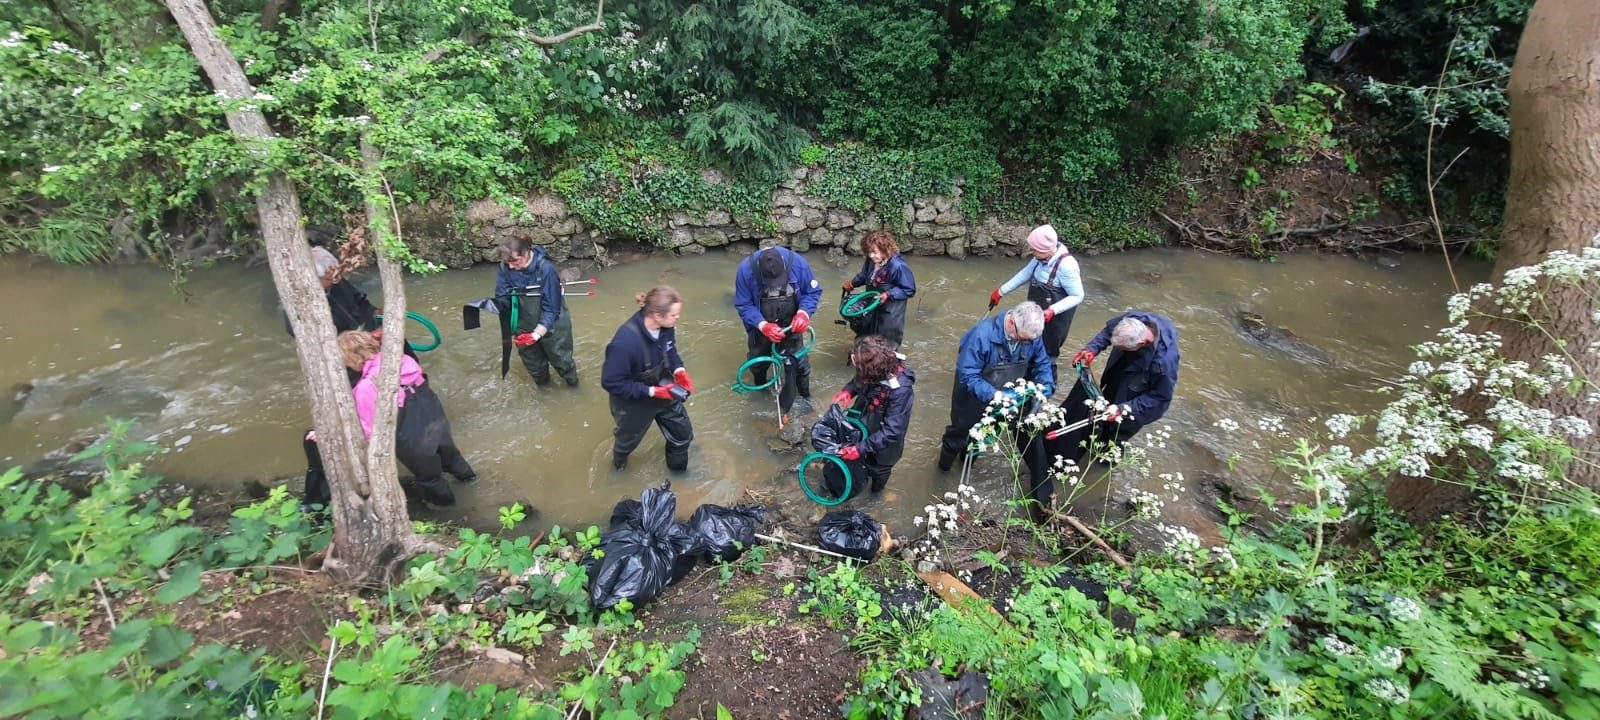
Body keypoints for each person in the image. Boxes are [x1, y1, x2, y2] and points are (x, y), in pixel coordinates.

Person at [314, 330, 475, 507]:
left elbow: (368, 430)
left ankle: (449, 511)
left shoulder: (366, 387)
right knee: (452, 458)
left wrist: (328, 433)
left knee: (429, 478)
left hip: (411, 437)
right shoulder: (403, 360)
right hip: (435, 419)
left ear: (352, 357)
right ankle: (472, 482)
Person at [937, 302, 1055, 474]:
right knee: (959, 436)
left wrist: (1046, 387)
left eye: (1029, 341)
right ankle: (943, 470)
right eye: (1023, 339)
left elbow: (1042, 364)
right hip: (972, 399)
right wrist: (995, 395)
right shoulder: (980, 335)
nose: (1027, 343)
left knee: (983, 438)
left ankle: (966, 464)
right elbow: (967, 375)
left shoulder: (1031, 336)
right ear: (1012, 323)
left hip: (1006, 400)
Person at [601, 286, 695, 472]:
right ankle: (618, 469)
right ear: (656, 315)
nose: (677, 319)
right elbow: (610, 382)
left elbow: (670, 350)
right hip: (634, 402)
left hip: (665, 388)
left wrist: (679, 370)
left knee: (683, 435)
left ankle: (679, 475)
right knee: (626, 443)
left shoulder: (666, 327)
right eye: (674, 315)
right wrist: (651, 391)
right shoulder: (624, 343)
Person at [1063, 311, 1180, 454]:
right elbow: (1108, 331)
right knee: (1101, 413)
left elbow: (1160, 399)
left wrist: (1123, 409)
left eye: (1121, 348)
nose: (1117, 349)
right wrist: (1093, 348)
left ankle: (1106, 463)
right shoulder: (1134, 319)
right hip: (1120, 373)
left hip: (1135, 396)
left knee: (1115, 438)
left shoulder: (1164, 364)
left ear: (1142, 344)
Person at [734, 245, 822, 422]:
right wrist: (763, 325)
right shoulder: (745, 270)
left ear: (783, 263)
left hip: (792, 323)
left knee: (800, 364)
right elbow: (743, 305)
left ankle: (806, 399)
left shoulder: (798, 264)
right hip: (761, 324)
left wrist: (804, 313)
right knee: (758, 361)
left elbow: (812, 292)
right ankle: (761, 394)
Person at [987, 225, 1084, 382]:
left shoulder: (1067, 266)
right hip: (1034, 316)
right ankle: (1025, 382)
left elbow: (1078, 296)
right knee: (1028, 348)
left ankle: (1046, 388)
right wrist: (1001, 291)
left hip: (1054, 322)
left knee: (1047, 355)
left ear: (1047, 250)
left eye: (1034, 250)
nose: (1032, 253)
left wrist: (1052, 310)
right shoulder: (1041, 258)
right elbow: (1025, 274)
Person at [824, 335, 916, 498]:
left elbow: (893, 431)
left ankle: (876, 494)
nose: (857, 372)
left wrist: (860, 449)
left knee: (879, 470)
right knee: (853, 460)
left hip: (884, 444)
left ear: (872, 372)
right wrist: (848, 390)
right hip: (864, 419)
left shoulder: (901, 391)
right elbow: (860, 377)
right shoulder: (875, 365)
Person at [494, 238, 579, 388]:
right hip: (522, 323)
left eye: (515, 261)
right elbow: (503, 297)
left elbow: (552, 308)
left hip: (553, 324)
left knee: (562, 361)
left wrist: (537, 333)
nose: (511, 267)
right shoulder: (506, 266)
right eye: (508, 263)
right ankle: (545, 392)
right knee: (535, 366)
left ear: (526, 253)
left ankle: (573, 387)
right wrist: (494, 305)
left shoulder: (546, 269)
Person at [842, 231, 917, 348]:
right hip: (872, 305)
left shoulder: (898, 266)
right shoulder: (871, 260)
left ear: (885, 248)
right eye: (869, 252)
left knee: (886, 344)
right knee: (866, 337)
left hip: (890, 312)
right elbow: (865, 275)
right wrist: (853, 283)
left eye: (874, 252)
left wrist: (888, 294)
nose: (871, 255)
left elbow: (909, 289)